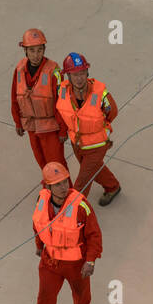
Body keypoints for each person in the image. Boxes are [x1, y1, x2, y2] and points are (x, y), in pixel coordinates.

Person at [30, 162, 101, 304]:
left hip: (76, 263)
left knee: (81, 293)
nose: (63, 188)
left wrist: (91, 261)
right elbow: (38, 224)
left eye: (65, 182)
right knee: (45, 297)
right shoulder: (41, 201)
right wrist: (39, 246)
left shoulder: (81, 206)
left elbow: (94, 234)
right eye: (58, 184)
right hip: (50, 262)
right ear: (48, 186)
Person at [55, 53, 123, 205]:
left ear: (87, 73)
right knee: (94, 169)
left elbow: (112, 112)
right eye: (74, 74)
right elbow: (61, 111)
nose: (79, 78)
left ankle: (72, 212)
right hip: (77, 144)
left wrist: (98, 125)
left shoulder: (100, 93)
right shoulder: (63, 91)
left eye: (82, 73)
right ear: (68, 77)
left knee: (82, 182)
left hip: (97, 145)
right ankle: (113, 187)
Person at [10, 28, 64, 171]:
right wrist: (18, 122)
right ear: (25, 51)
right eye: (32, 50)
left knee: (57, 166)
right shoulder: (19, 70)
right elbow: (14, 98)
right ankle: (49, 189)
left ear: (44, 50)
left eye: (39, 50)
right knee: (43, 163)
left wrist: (63, 130)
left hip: (50, 128)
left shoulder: (54, 71)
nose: (36, 55)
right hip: (31, 127)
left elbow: (61, 103)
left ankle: (65, 192)